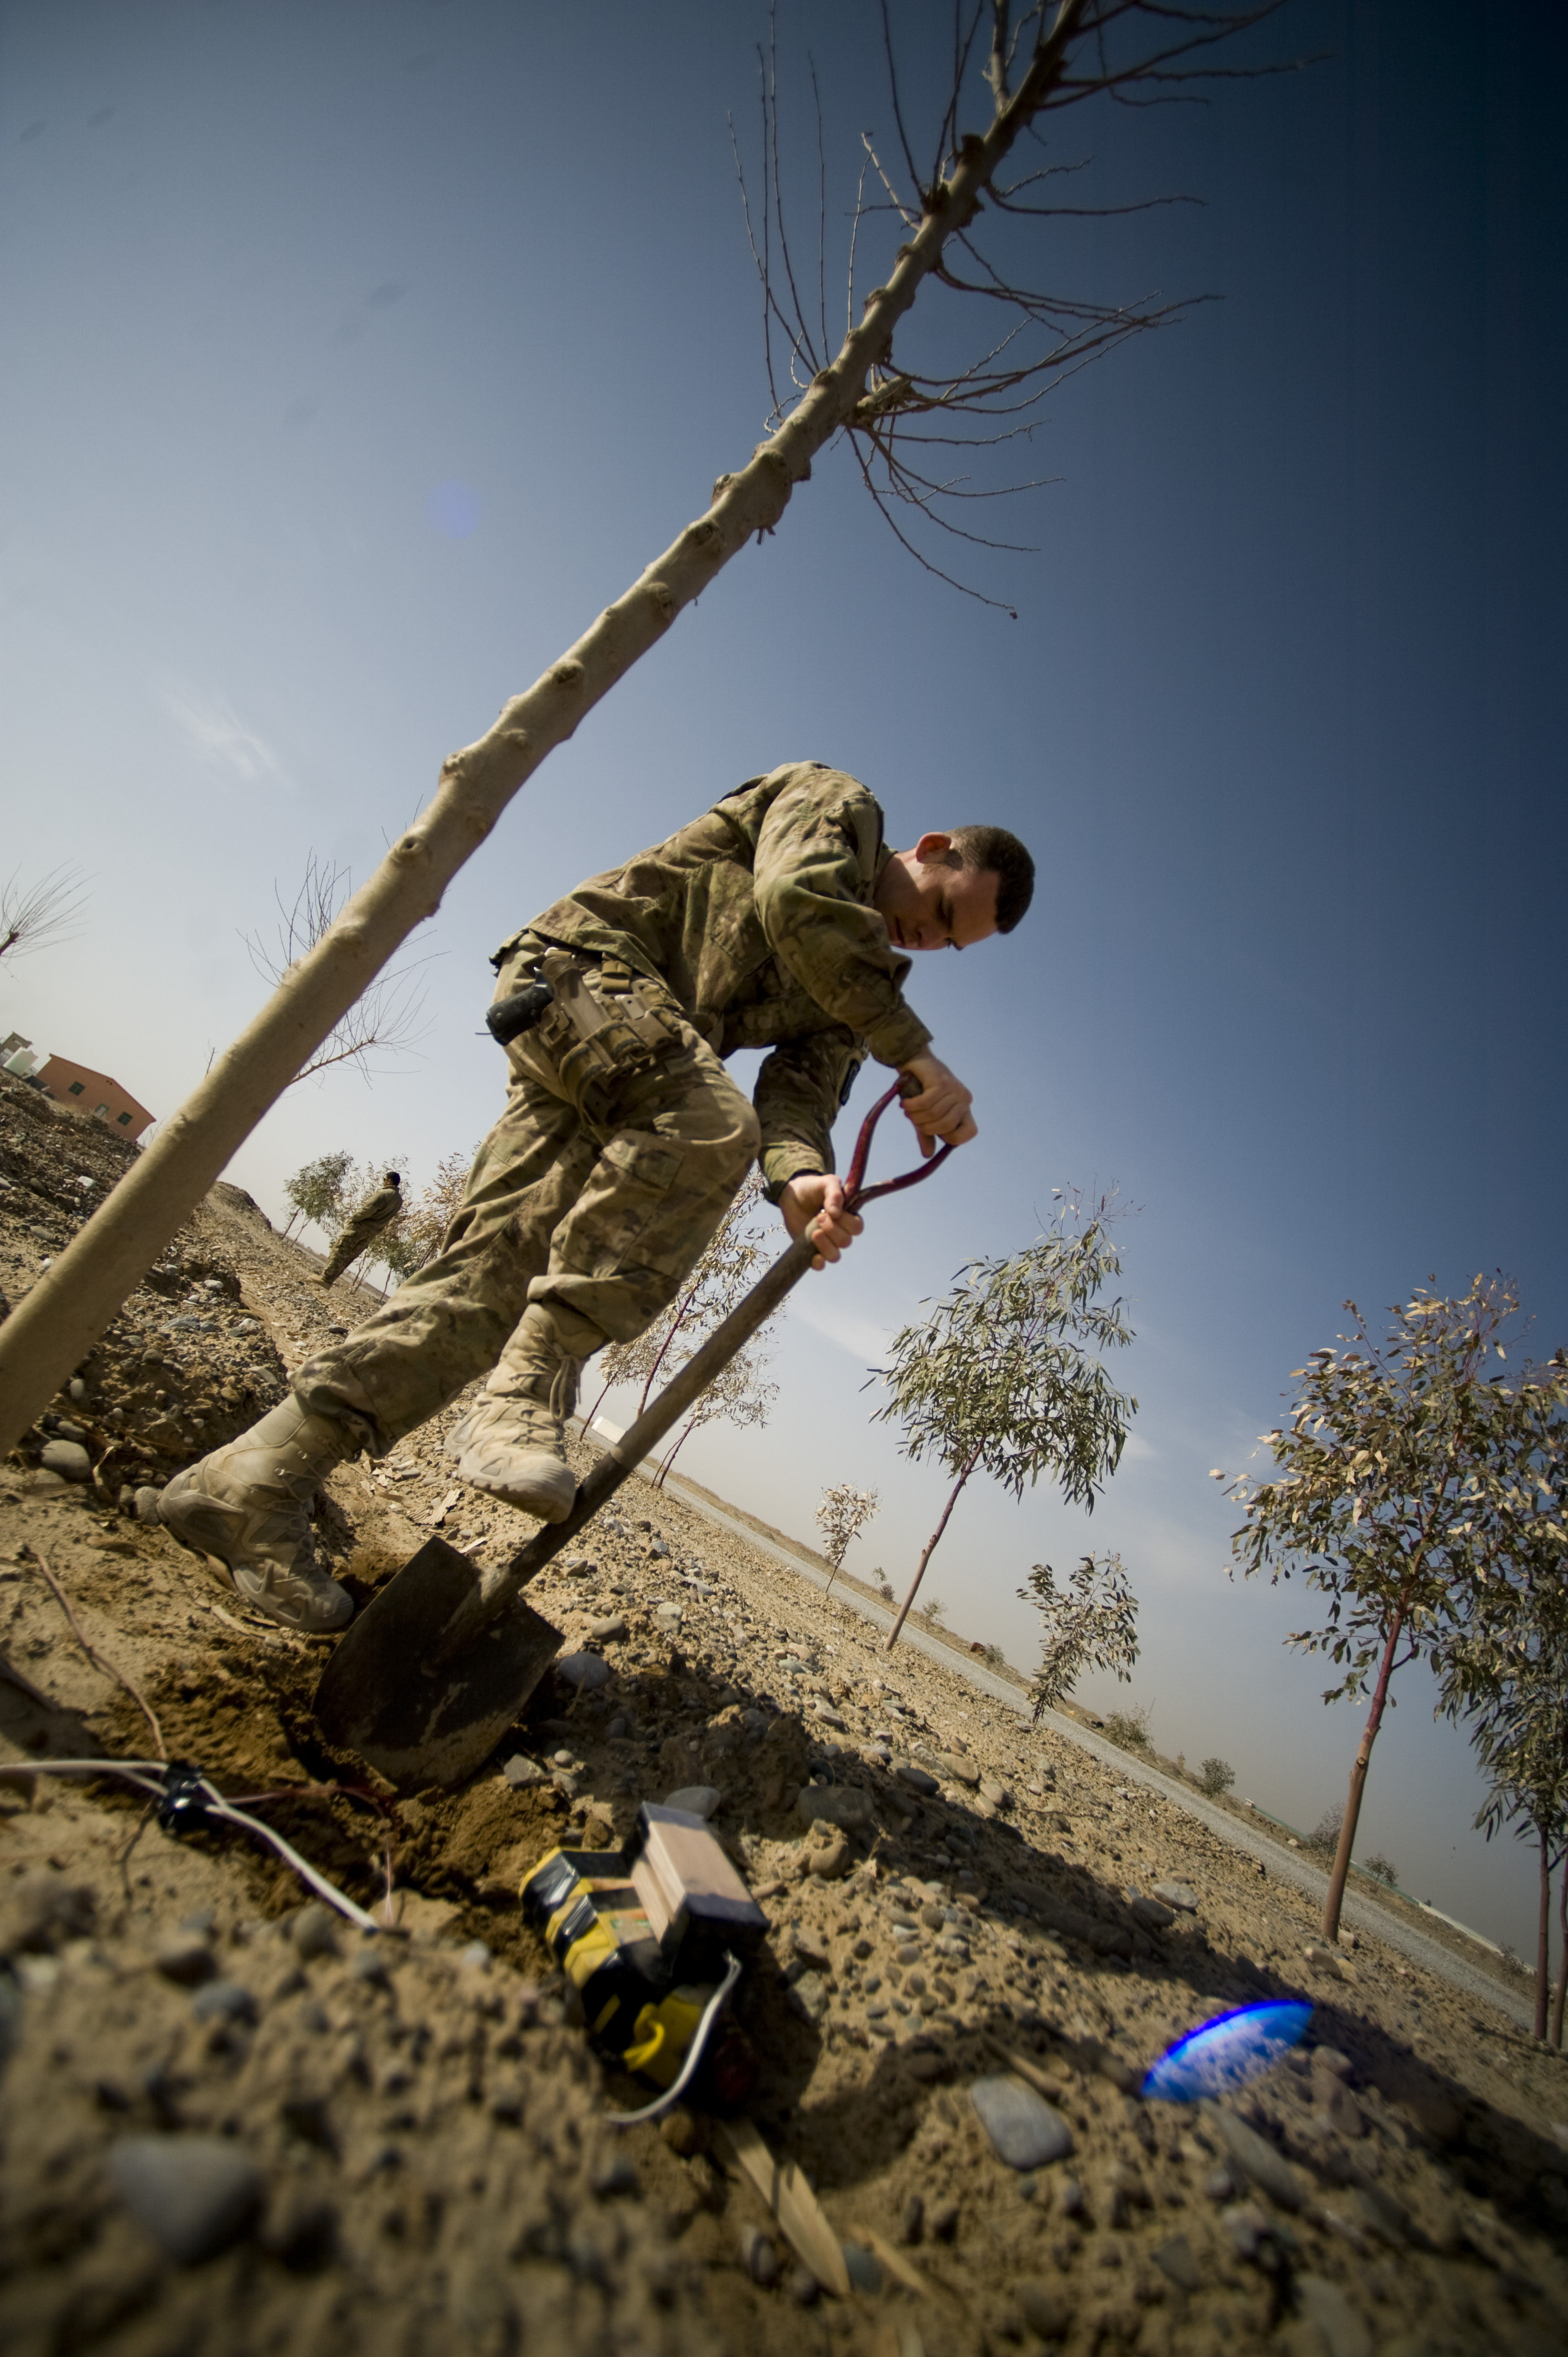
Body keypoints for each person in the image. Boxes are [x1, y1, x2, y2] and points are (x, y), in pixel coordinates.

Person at [159, 763, 1034, 1632]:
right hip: (580, 975)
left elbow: (801, 1098)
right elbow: (795, 905)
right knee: (709, 1122)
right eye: (944, 912)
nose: (929, 939)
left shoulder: (873, 989)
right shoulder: (837, 806)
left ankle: (248, 1486)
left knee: (489, 1282)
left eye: (951, 945)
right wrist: (917, 1057)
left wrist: (801, 1178)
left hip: (639, 1066)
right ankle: (529, 1395)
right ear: (929, 851)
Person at [317, 1172, 403, 1288]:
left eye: (384, 1179)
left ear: (389, 1181)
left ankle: (325, 1279)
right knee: (349, 1257)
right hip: (371, 1233)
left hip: (359, 1228)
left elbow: (368, 1210)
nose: (383, 1182)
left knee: (340, 1252)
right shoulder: (399, 1201)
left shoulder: (384, 1193)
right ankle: (329, 1281)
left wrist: (353, 1218)